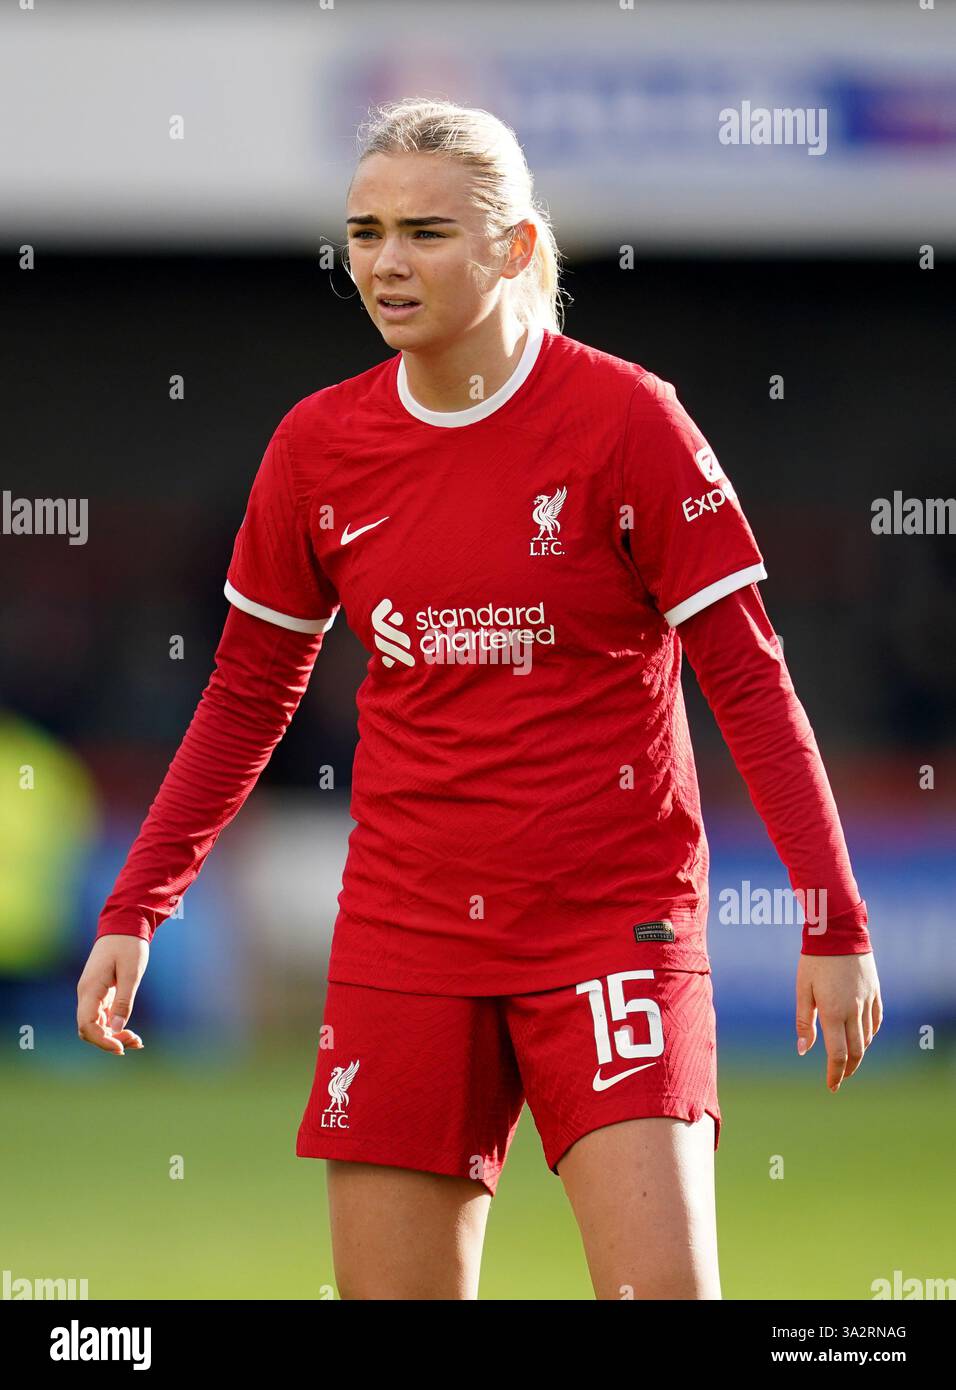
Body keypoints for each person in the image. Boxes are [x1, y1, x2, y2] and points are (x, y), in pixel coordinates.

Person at [77, 97, 882, 1301]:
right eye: (364, 230)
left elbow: (749, 683)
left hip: (610, 924)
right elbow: (248, 692)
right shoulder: (316, 447)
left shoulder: (626, 421)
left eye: (425, 231)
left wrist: (832, 916)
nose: (386, 262)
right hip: (405, 934)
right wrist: (139, 903)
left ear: (512, 246)